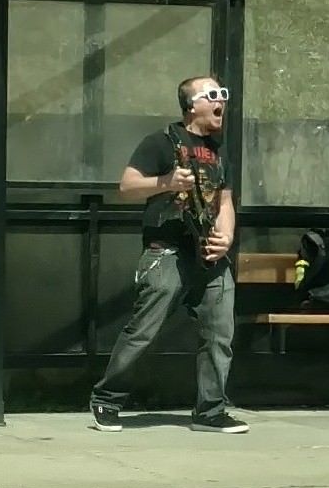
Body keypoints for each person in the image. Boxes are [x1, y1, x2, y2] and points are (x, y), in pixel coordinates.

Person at [90, 76, 248, 434]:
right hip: (168, 252)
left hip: (208, 255)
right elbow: (127, 186)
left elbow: (224, 199)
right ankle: (107, 398)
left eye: (223, 94)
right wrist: (166, 184)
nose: (221, 101)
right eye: (212, 95)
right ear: (192, 105)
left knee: (219, 333)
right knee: (143, 331)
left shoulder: (220, 150)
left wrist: (227, 236)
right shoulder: (162, 142)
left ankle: (210, 411)